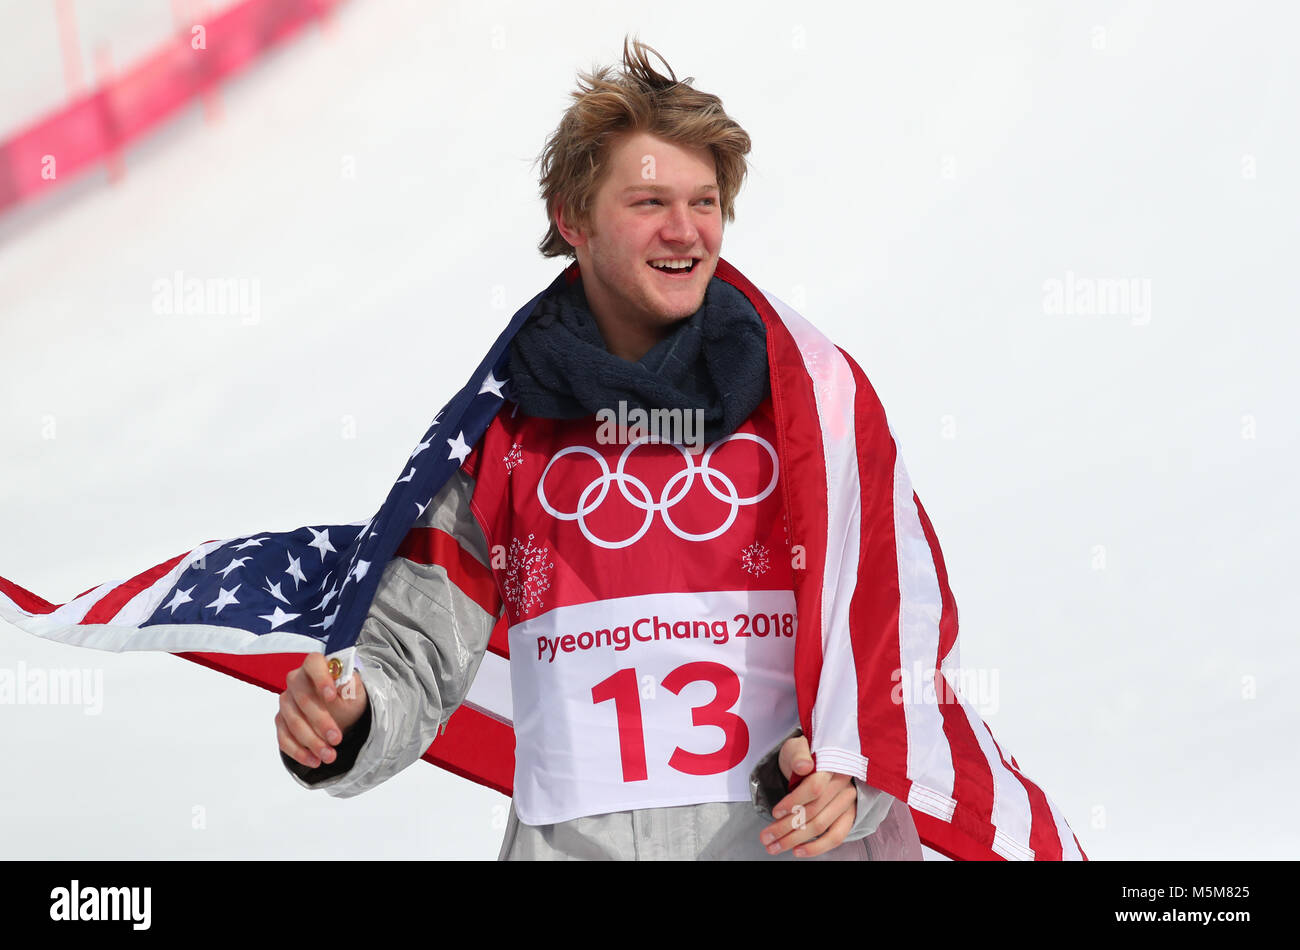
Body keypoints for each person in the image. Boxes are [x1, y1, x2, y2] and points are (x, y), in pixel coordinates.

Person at [275, 36, 920, 860]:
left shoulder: (806, 406)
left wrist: (844, 765)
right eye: (649, 202)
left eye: (706, 201)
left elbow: (890, 639)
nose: (685, 231)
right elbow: (416, 645)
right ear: (571, 219)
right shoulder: (504, 429)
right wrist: (353, 712)